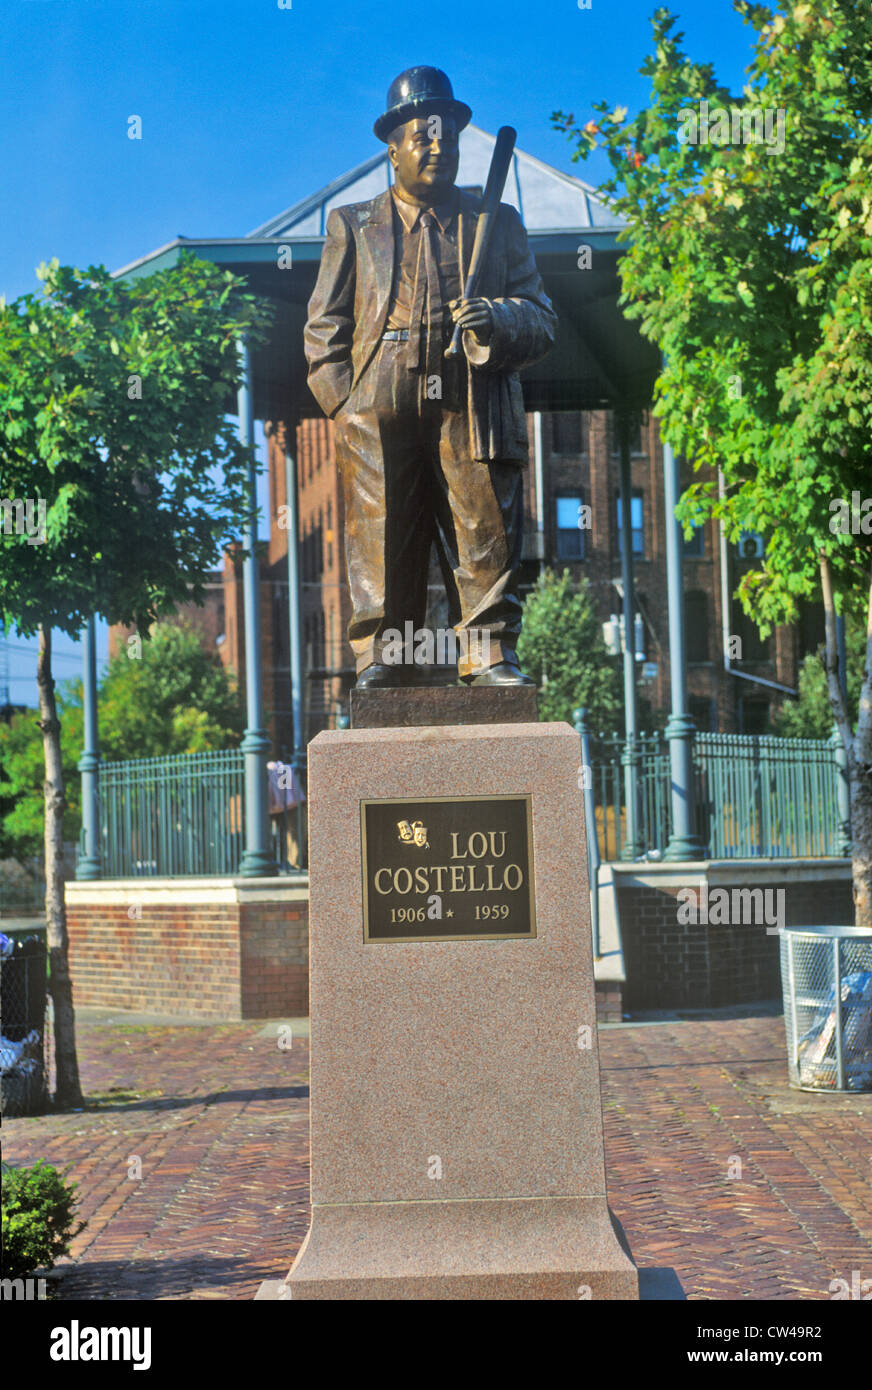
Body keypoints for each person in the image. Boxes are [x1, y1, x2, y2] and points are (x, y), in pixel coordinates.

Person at [305, 66, 557, 688]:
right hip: (379, 391)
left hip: (469, 391)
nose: (439, 147)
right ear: (393, 149)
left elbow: (542, 319)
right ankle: (384, 655)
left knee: (481, 520)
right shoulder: (351, 225)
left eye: (448, 136)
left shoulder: (497, 223)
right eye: (424, 136)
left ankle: (488, 652)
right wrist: (346, 404)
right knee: (383, 528)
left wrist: (497, 317)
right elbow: (323, 327)